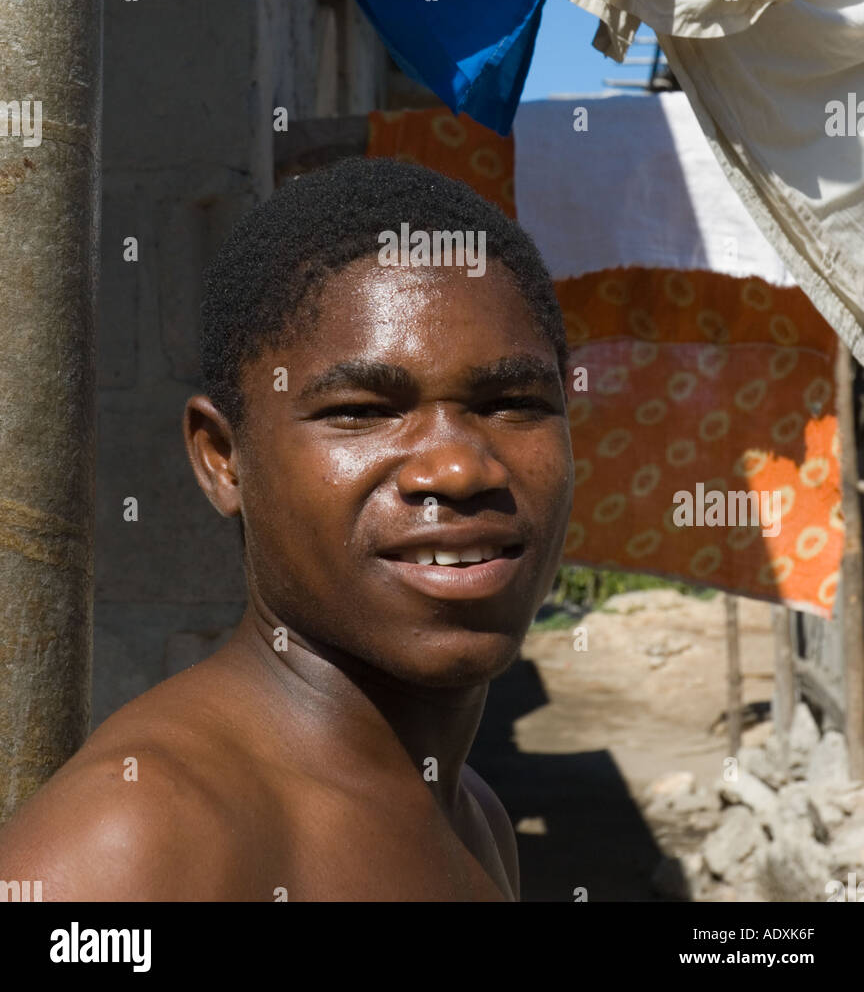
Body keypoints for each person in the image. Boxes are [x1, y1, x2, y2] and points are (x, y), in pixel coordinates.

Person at [0, 158, 575, 901]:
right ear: (223, 460)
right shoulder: (132, 846)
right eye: (363, 412)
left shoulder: (475, 817)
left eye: (512, 402)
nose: (459, 471)